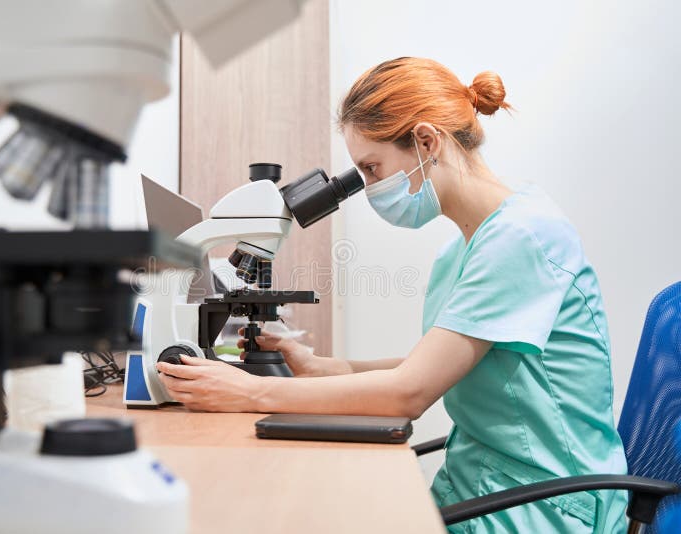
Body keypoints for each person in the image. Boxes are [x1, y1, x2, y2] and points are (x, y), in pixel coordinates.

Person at [156, 57, 628, 533]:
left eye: (372, 168)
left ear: (426, 141)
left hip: (546, 506)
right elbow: (437, 363)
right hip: (480, 484)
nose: (370, 188)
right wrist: (328, 368)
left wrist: (250, 392)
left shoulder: (522, 238)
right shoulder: (465, 246)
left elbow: (410, 392)